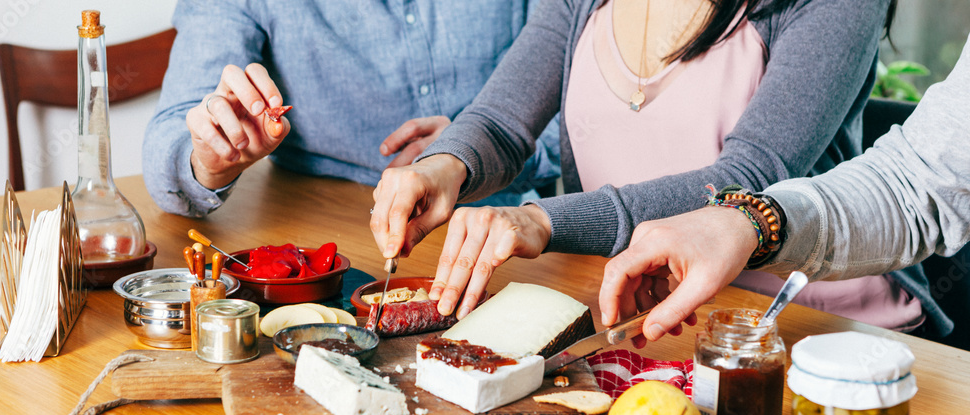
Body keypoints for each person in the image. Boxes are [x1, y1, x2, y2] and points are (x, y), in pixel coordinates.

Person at [368, 0, 939, 335]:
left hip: (807, 325)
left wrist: (544, 221)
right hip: (649, 315)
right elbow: (500, 121)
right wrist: (446, 164)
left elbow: (750, 177)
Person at [598, 35, 970, 345]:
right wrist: (751, 221)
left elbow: (755, 165)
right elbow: (913, 183)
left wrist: (546, 220)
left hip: (849, 326)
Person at [142, 1, 560, 219]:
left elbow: (596, 103)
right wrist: (209, 160)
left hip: (512, 216)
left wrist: (476, 149)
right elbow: (170, 137)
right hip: (334, 229)